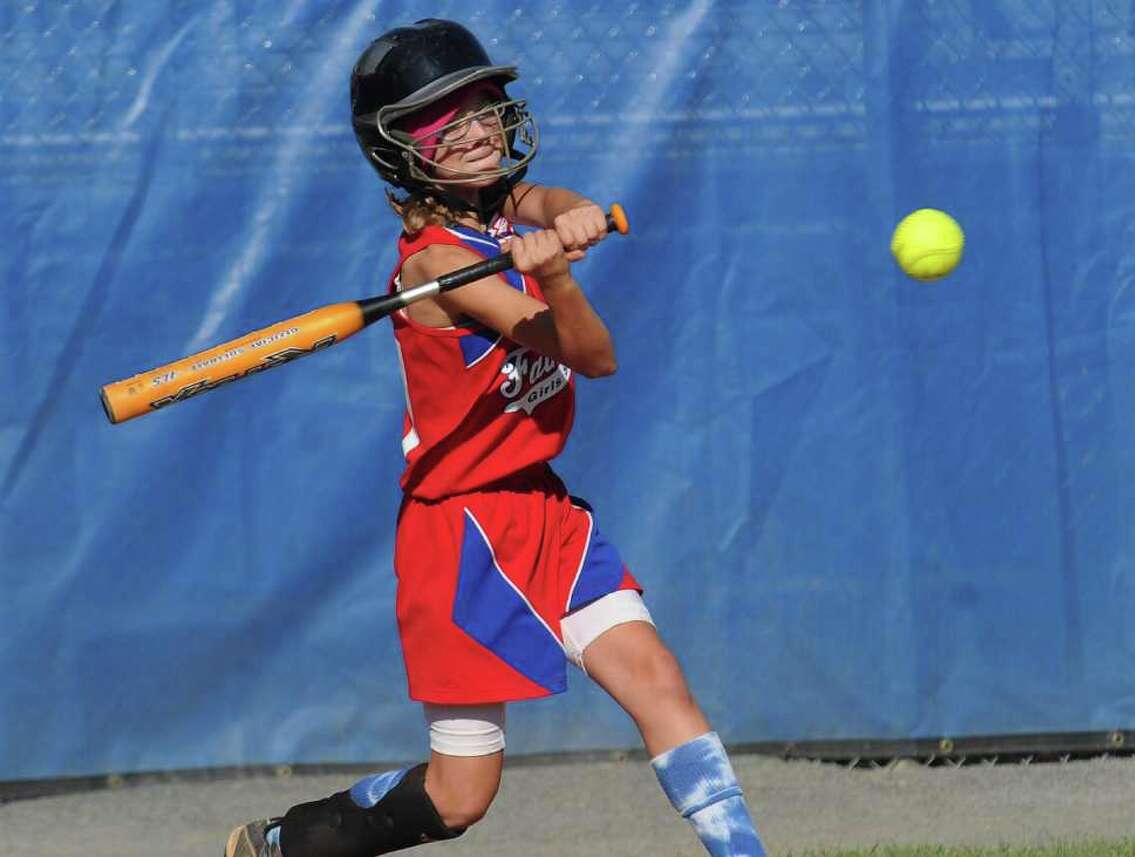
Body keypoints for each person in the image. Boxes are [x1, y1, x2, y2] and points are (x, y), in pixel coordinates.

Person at [225, 18, 767, 857]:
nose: (478, 129)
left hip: (545, 511)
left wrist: (573, 214)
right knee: (459, 797)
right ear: (402, 150)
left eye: (485, 107)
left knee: (658, 681)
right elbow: (592, 354)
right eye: (448, 120)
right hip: (463, 534)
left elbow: (541, 200)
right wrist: (551, 272)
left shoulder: (494, 205)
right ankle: (284, 845)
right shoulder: (435, 268)